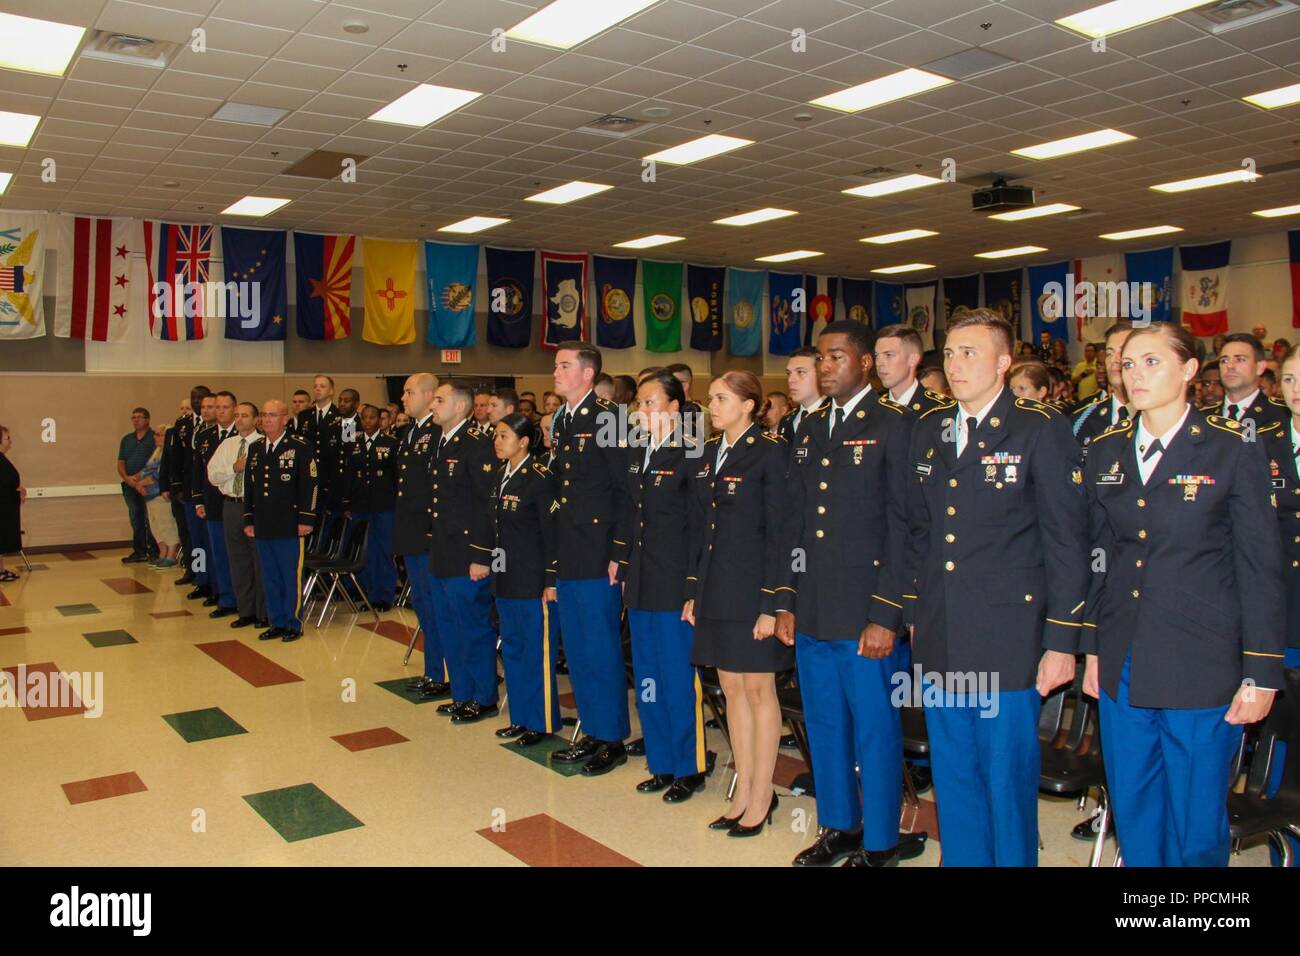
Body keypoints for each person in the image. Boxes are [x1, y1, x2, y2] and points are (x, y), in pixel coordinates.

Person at [1082, 322, 1284, 867]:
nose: (1135, 374)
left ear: (1191, 370)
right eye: (1127, 364)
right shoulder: (1106, 452)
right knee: (1135, 807)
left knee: (1195, 821)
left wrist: (1262, 669)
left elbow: (1261, 566)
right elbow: (1101, 561)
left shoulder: (1229, 450)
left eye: (1151, 362)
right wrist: (1094, 648)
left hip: (1201, 661)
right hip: (1125, 657)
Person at [905, 308, 1088, 866]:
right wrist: (916, 610)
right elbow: (921, 531)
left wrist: (1061, 641)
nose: (955, 365)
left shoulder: (1039, 428)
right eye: (951, 353)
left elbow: (1067, 541)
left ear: (1004, 363)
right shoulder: (929, 428)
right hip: (942, 629)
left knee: (1005, 781)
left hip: (1010, 636)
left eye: (970, 353)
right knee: (954, 775)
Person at [774, 321, 914, 867]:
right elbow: (794, 522)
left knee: (875, 729)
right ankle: (841, 826)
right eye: (822, 359)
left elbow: (904, 526)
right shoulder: (807, 429)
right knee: (826, 723)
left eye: (837, 358)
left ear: (864, 365)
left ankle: (881, 840)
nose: (827, 367)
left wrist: (886, 613)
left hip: (864, 613)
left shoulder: (893, 425)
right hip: (813, 607)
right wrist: (784, 598)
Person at [685, 370, 790, 835]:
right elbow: (701, 529)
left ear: (749, 405)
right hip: (717, 587)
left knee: (758, 690)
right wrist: (694, 590)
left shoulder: (769, 452)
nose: (713, 406)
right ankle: (744, 786)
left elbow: (781, 531)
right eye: (711, 399)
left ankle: (764, 792)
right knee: (729, 688)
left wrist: (772, 602)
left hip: (753, 589)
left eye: (722, 398)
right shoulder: (710, 453)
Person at [615, 370, 706, 803]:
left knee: (675, 676)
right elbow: (633, 515)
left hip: (674, 583)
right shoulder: (638, 452)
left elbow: (700, 527)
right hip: (641, 581)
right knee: (647, 676)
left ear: (675, 407)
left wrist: (693, 584)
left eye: (650, 402)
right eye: (638, 403)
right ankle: (661, 760)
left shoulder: (692, 452)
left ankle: (689, 767)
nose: (641, 411)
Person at [548, 344, 632, 775]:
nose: (556, 372)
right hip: (571, 548)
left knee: (600, 648)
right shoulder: (566, 419)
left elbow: (624, 489)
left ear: (587, 373)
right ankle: (593, 729)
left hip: (599, 552)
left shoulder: (608, 416)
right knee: (578, 648)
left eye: (564, 366)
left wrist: (620, 551)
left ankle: (612, 736)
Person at [427, 383, 499, 724]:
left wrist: (482, 556)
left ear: (460, 407)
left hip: (468, 555)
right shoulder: (440, 441)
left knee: (473, 627)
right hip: (443, 551)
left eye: (439, 399)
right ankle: (462, 693)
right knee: (449, 626)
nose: (432, 404)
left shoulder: (476, 444)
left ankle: (483, 696)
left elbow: (488, 505)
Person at [490, 413, 562, 748]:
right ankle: (520, 716)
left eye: (504, 436)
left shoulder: (539, 478)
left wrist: (551, 578)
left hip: (533, 581)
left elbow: (551, 535)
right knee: (515, 650)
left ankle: (542, 720)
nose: (497, 441)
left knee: (537, 652)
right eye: (496, 435)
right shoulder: (500, 476)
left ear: (523, 442)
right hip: (506, 578)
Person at [1261, 343, 1300, 865]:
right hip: (1281, 603)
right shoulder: (1260, 442)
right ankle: (1283, 841)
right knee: (1282, 728)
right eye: (1289, 379)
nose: (1296, 389)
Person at [243, 400, 317, 643]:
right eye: (263, 415)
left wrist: (306, 518)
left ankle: (292, 623)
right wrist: (249, 518)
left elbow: (310, 484)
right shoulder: (255, 448)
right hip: (263, 523)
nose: (266, 419)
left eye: (272, 415)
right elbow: (250, 487)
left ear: (285, 419)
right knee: (270, 576)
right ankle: (276, 621)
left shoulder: (299, 446)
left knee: (289, 576)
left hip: (290, 523)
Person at [397, 374, 450, 701]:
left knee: (436, 605)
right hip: (412, 532)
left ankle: (442, 672)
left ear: (430, 395)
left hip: (430, 533)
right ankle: (433, 670)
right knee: (423, 605)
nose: (403, 397)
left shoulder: (437, 433)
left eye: (409, 391)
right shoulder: (410, 432)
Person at [208, 401, 267, 629]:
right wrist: (234, 468)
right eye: (238, 415)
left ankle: (263, 613)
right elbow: (213, 475)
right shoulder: (228, 444)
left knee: (258, 560)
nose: (240, 419)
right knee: (238, 560)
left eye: (245, 415)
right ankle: (246, 610)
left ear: (255, 420)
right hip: (231, 505)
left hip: (255, 507)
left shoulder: (263, 444)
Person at [341, 404, 399, 612]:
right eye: (364, 418)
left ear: (380, 420)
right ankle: (369, 593)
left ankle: (385, 596)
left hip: (384, 506)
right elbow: (348, 474)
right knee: (365, 552)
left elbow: (397, 477)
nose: (367, 421)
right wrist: (347, 502)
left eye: (372, 417)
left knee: (383, 551)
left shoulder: (391, 443)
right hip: (360, 505)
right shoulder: (353, 443)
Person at [193, 391, 239, 618]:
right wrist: (197, 499)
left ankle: (241, 598)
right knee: (215, 553)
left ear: (234, 409)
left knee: (237, 556)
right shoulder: (205, 436)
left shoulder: (245, 436)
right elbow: (198, 471)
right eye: (217, 407)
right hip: (212, 503)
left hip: (236, 503)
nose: (220, 411)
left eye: (224, 407)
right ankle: (221, 595)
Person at [1073, 321, 1134, 456]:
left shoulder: (1158, 418)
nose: (1114, 359)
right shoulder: (1081, 419)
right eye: (1109, 353)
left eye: (1123, 351)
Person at [1210, 332, 1288, 429]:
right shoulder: (1204, 416)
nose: (1229, 366)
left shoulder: (1283, 415)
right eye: (1224, 361)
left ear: (1260, 367)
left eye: (1240, 359)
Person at [183, 392, 218, 602]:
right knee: (197, 543)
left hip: (214, 498)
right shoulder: (197, 431)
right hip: (195, 496)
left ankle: (214, 583)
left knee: (212, 544)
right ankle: (200, 578)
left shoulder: (221, 435)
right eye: (203, 407)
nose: (206, 410)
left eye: (210, 407)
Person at [875, 324, 948, 418]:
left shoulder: (940, 409)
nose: (879, 363)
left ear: (913, 359)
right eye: (877, 355)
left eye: (889, 355)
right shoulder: (872, 410)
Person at [117, 407, 157, 564]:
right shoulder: (127, 439)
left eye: (139, 417)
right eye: (133, 417)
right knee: (135, 517)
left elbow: (154, 463)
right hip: (130, 485)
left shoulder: (154, 437)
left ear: (147, 419)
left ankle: (154, 551)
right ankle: (139, 551)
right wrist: (127, 478)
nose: (136, 420)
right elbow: (121, 462)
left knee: (151, 519)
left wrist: (140, 478)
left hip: (148, 484)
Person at [139, 426, 180, 569]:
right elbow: (145, 471)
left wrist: (140, 484)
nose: (156, 437)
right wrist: (137, 482)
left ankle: (171, 554)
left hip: (160, 495)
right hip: (149, 496)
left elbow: (158, 474)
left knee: (167, 525)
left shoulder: (168, 453)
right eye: (155, 434)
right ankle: (162, 552)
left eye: (160, 434)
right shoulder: (156, 452)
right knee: (156, 526)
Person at [778, 347, 826, 445]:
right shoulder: (786, 420)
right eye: (789, 373)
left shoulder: (834, 416)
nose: (790, 380)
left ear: (822, 374)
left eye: (800, 372)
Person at [0, 425, 25, 583]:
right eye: (7, 438)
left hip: (6, 507)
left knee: (1, 541)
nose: (10, 441)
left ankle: (1, 570)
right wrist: (16, 489)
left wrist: (18, 489)